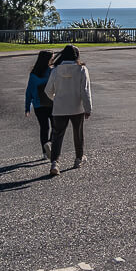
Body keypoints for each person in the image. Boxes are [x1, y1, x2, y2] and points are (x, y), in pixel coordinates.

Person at [44, 45, 92, 176]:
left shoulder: (55, 71)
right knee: (78, 134)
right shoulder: (81, 69)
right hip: (77, 107)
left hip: (60, 107)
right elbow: (85, 91)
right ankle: (78, 158)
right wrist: (88, 108)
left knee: (57, 135)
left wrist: (56, 99)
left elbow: (48, 90)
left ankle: (55, 162)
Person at [24, 50, 55, 159]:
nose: (53, 59)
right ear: (48, 59)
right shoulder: (52, 71)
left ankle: (45, 152)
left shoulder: (33, 74)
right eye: (52, 57)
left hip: (38, 105)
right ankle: (50, 144)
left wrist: (27, 107)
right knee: (56, 127)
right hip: (52, 103)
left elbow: (29, 92)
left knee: (44, 128)